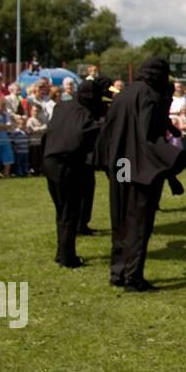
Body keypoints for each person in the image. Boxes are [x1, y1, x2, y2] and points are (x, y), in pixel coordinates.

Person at [94, 57, 186, 291]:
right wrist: (173, 159)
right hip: (139, 168)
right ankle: (133, 278)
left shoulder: (123, 94)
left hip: (120, 165)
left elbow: (107, 130)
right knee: (138, 222)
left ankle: (118, 272)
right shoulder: (149, 96)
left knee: (120, 219)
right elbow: (148, 136)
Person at [43, 79, 107, 268]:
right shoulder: (83, 112)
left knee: (62, 211)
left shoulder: (62, 106)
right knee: (69, 211)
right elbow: (81, 134)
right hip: (67, 164)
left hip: (51, 161)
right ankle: (67, 257)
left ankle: (61, 252)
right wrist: (103, 123)